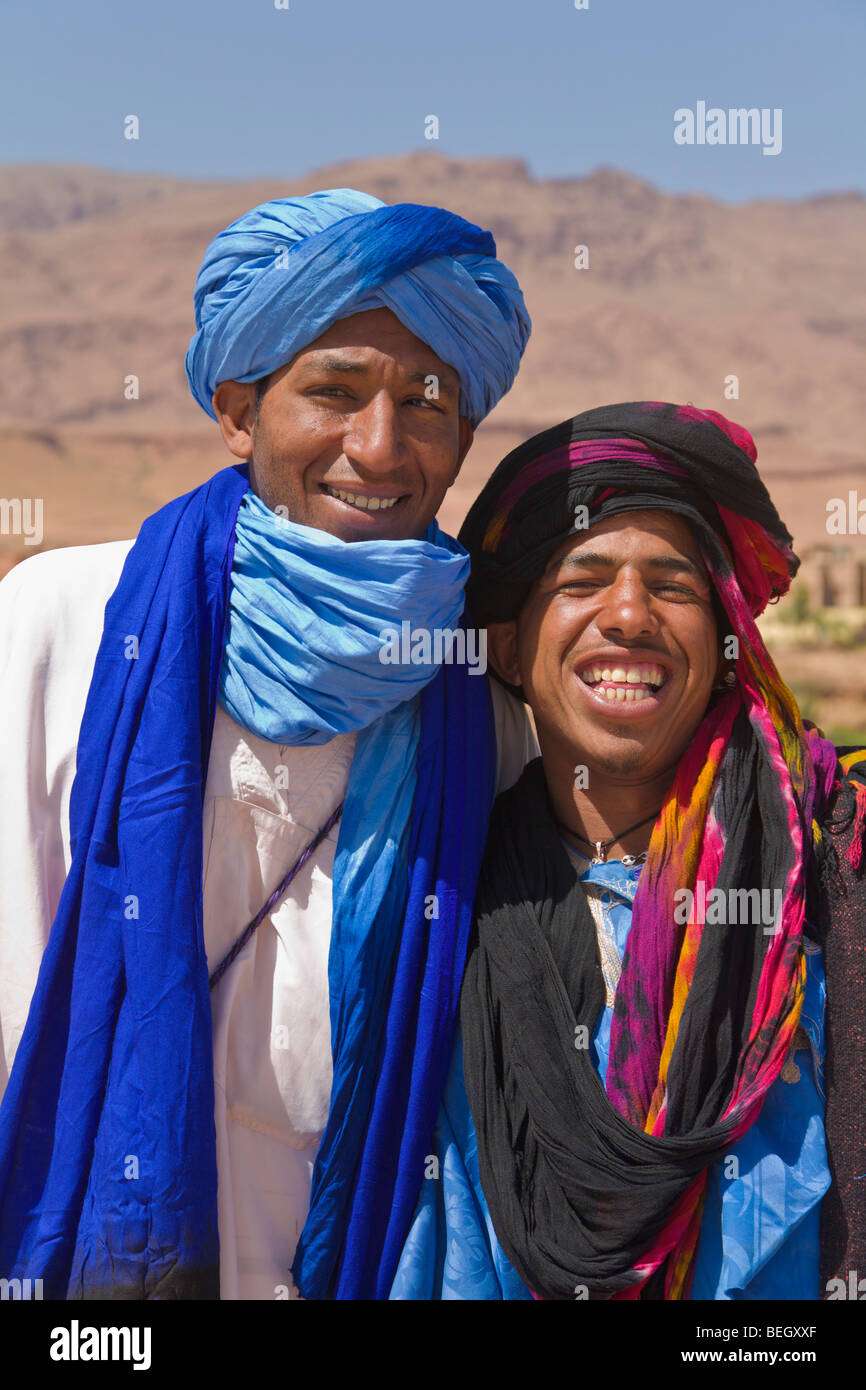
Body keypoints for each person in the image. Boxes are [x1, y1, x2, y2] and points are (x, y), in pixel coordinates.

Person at [0, 188, 535, 1300]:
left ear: (464, 435)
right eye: (332, 393)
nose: (377, 447)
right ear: (240, 411)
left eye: (426, 404)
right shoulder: (63, 619)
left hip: (354, 1244)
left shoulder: (473, 692)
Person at [390, 401, 866, 1300]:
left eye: (675, 585)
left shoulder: (833, 870)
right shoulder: (454, 917)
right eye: (583, 579)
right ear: (507, 646)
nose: (630, 614)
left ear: (728, 645)